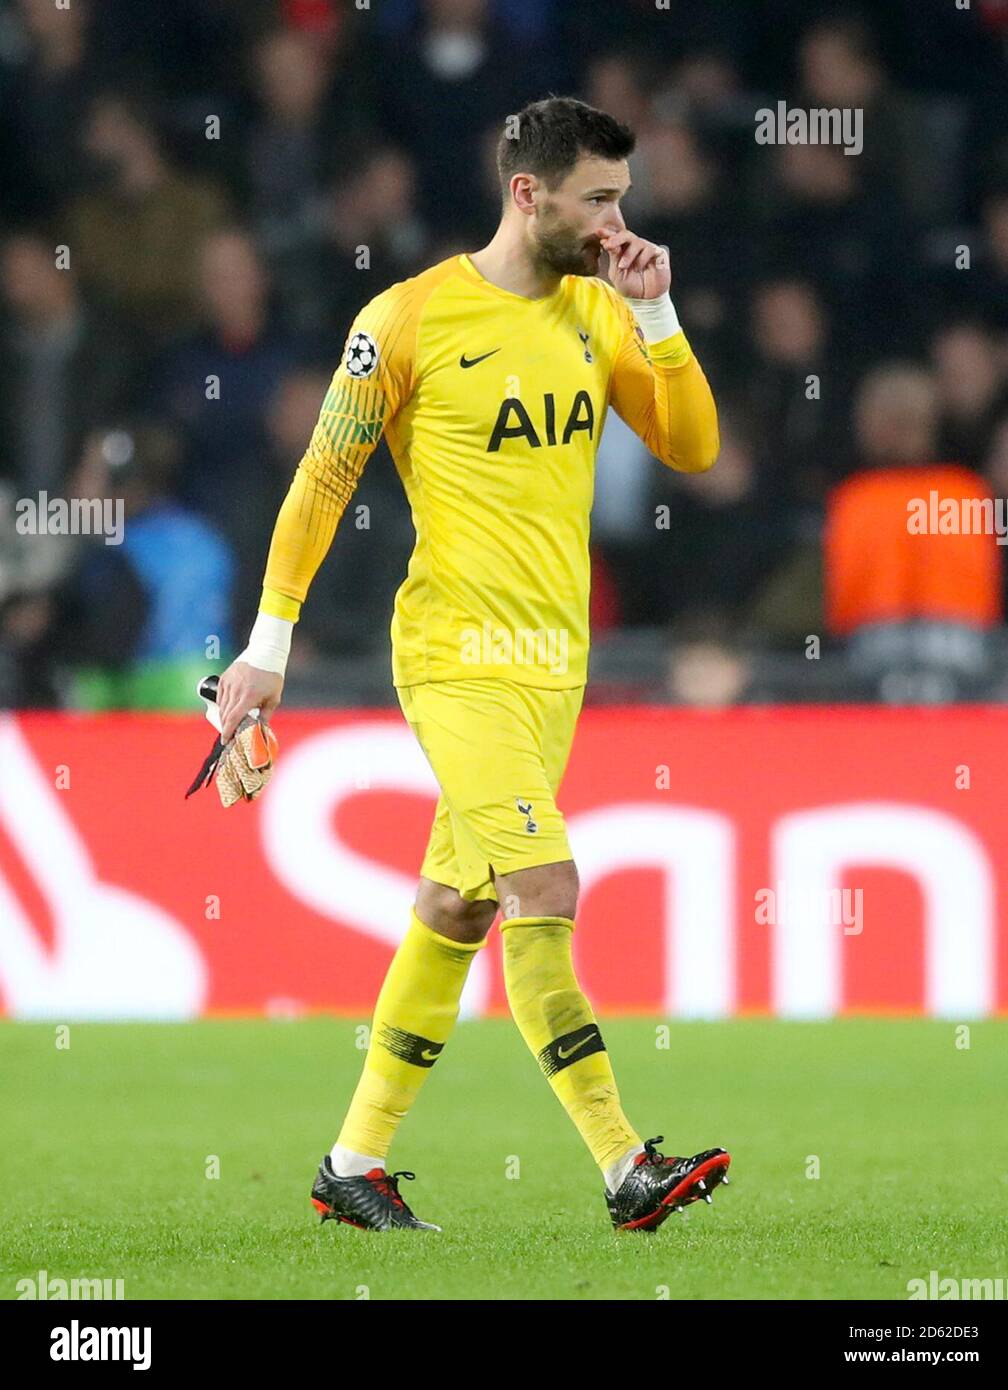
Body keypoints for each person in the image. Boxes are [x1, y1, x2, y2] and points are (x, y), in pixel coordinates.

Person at [216, 96, 728, 1233]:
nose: (617, 220)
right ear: (528, 192)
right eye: (599, 197)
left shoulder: (602, 313)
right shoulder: (406, 319)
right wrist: (267, 645)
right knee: (546, 886)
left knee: (456, 903)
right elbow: (323, 478)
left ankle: (353, 1164)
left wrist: (660, 313)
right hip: (456, 659)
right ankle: (624, 1167)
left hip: (555, 666)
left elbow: (694, 446)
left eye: (624, 198)